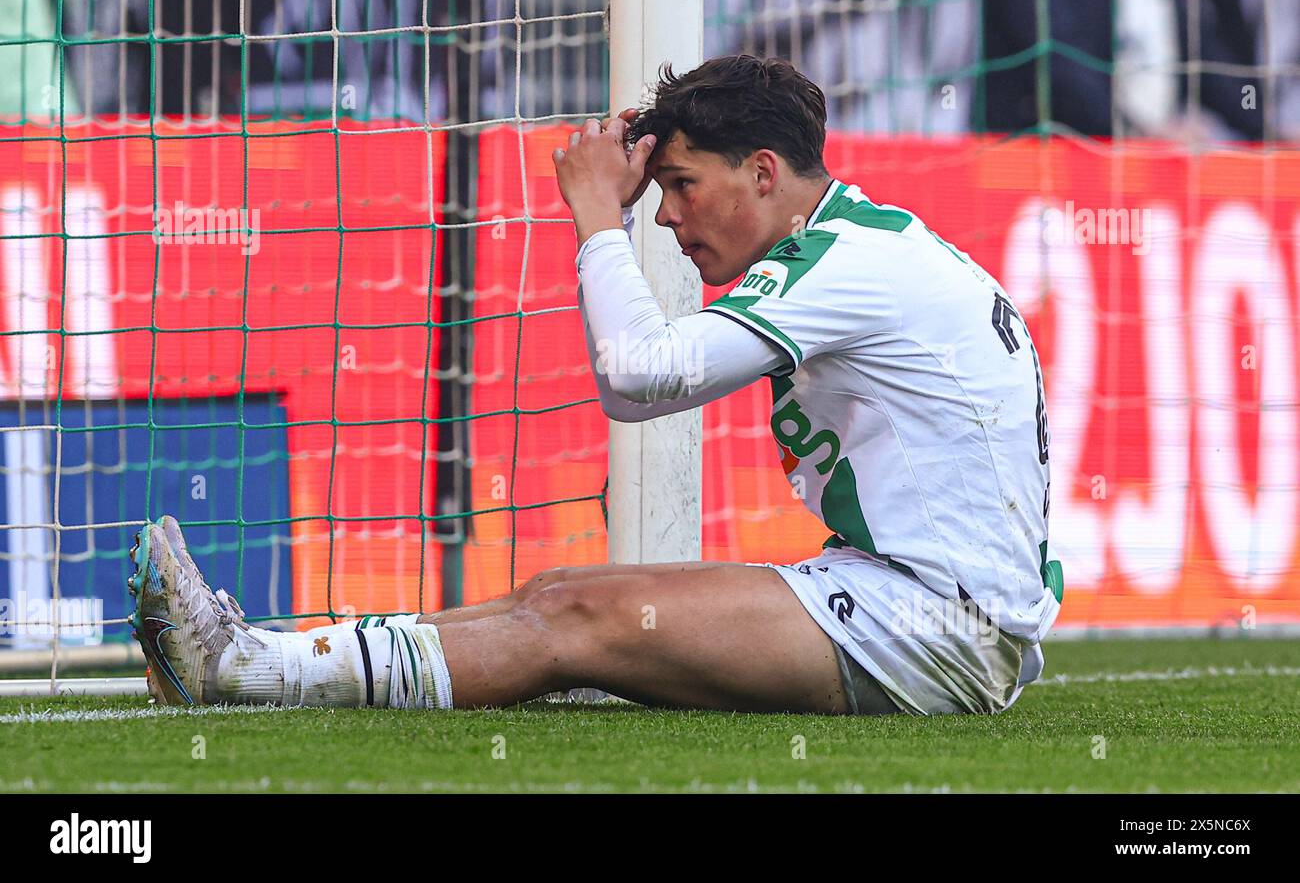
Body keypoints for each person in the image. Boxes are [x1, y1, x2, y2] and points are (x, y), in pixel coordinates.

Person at [129, 55, 1061, 716]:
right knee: (562, 589)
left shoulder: (849, 262)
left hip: (937, 626)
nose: (668, 215)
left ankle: (248, 671)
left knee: (577, 615)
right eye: (658, 193)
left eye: (685, 184)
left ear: (765, 173)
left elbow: (639, 377)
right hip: (909, 595)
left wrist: (592, 213)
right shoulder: (865, 242)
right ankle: (262, 658)